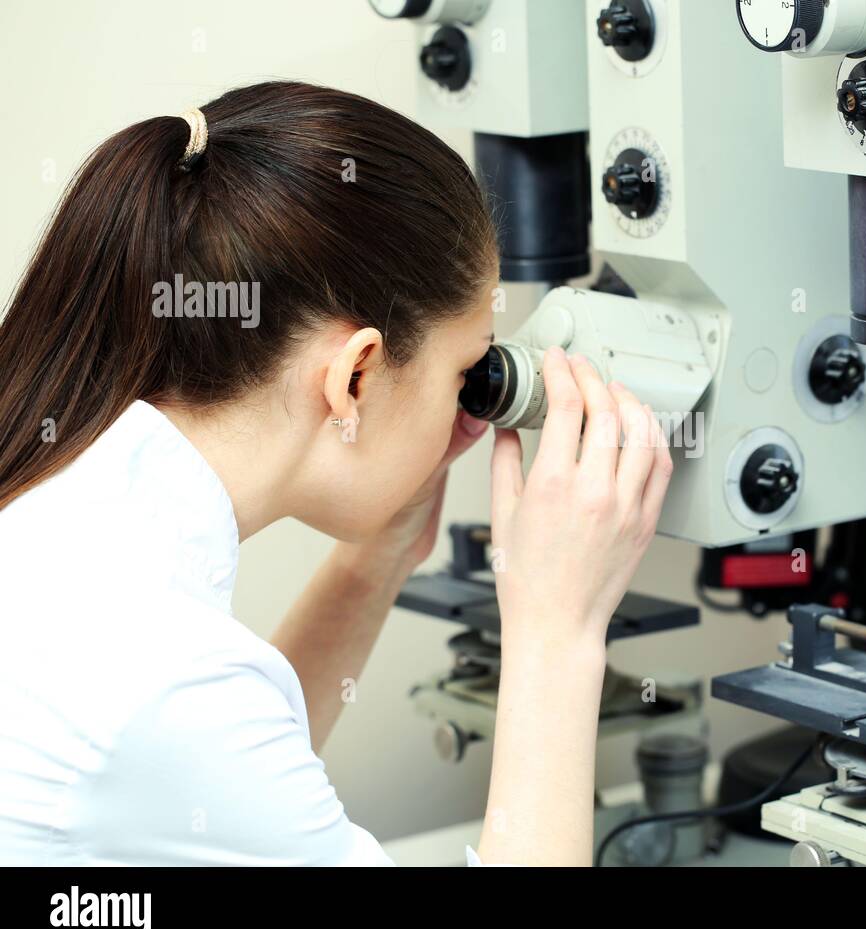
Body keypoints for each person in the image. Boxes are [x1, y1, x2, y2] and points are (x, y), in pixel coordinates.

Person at [0, 81, 671, 866]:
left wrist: (375, 557)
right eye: (466, 371)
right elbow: (187, 733)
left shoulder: (67, 514)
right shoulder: (162, 679)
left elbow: (224, 800)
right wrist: (560, 629)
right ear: (354, 376)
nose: (471, 407)